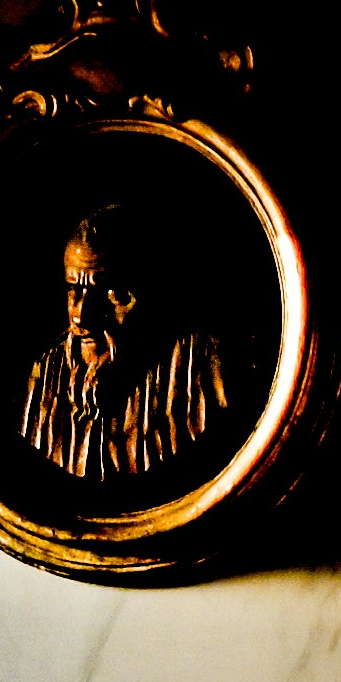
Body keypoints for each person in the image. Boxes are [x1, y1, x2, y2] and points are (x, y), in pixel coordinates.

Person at [20, 205, 233, 482]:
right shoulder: (47, 372)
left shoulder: (199, 364)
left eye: (113, 295)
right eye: (74, 290)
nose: (81, 315)